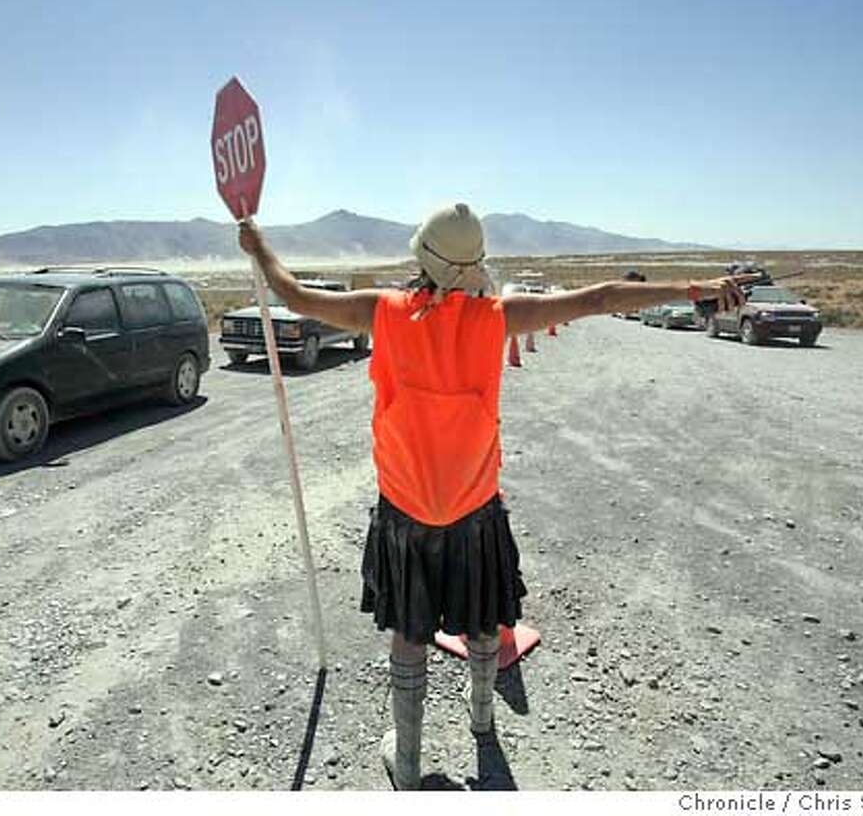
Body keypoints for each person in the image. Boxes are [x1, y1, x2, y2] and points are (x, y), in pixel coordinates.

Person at [237, 203, 748, 790]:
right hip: (476, 509)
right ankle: (482, 724)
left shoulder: (380, 312)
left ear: (421, 258)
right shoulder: (500, 317)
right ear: (475, 264)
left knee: (409, 631)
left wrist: (259, 246)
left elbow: (292, 295)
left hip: (404, 513)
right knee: (482, 622)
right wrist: (700, 287)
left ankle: (406, 764)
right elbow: (602, 297)